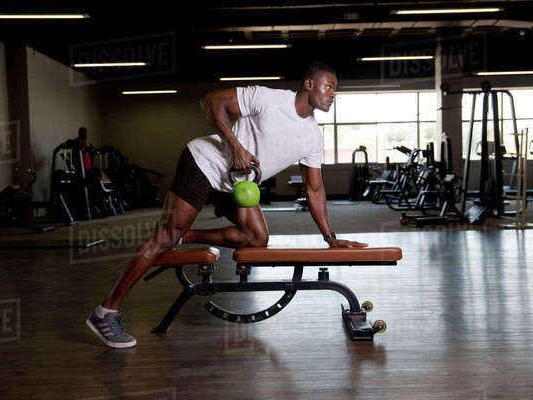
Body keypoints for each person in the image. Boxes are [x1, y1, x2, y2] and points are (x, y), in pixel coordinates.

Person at [86, 61, 367, 348]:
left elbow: (314, 187)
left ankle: (186, 235)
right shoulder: (269, 99)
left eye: (335, 89)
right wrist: (235, 145)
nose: (334, 94)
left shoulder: (311, 137)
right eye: (329, 87)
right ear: (309, 84)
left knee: (256, 238)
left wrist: (330, 237)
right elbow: (211, 101)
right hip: (204, 164)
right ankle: (106, 311)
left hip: (236, 183)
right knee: (164, 238)